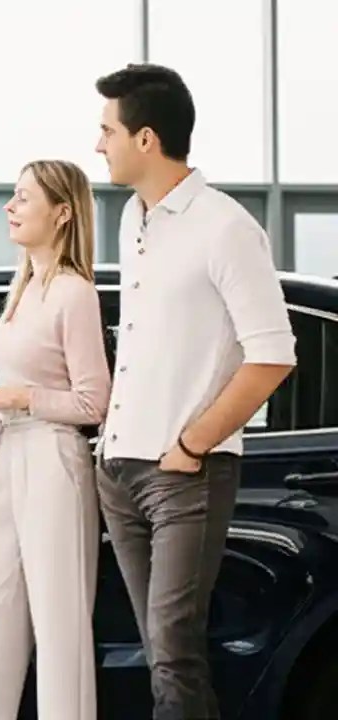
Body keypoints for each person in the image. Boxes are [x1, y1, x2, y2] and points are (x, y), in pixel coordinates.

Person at [93, 63, 296, 719]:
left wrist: (191, 443)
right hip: (119, 467)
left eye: (107, 131)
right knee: (159, 649)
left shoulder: (226, 227)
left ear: (145, 138)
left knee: (176, 649)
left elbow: (273, 356)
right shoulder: (134, 218)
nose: (99, 145)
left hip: (183, 471)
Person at [0, 159, 111, 719]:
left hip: (54, 462)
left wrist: (9, 396)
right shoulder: (25, 286)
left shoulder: (74, 292)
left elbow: (94, 402)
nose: (9, 207)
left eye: (23, 198)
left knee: (61, 636)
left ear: (61, 213)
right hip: (9, 458)